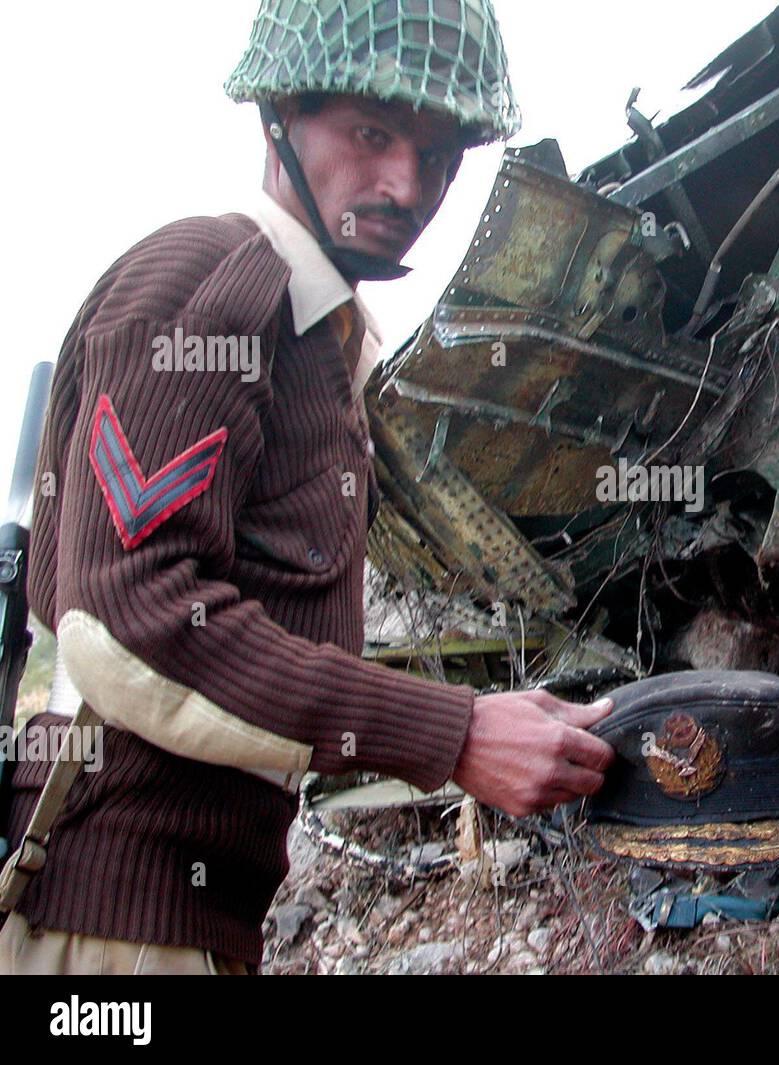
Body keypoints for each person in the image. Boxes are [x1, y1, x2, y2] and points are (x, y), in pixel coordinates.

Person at [0, 0, 614, 976]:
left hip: (183, 920)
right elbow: (127, 619)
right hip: (111, 929)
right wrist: (452, 733)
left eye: (441, 150)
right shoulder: (215, 283)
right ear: (279, 112)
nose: (407, 182)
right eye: (372, 132)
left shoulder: (326, 339)